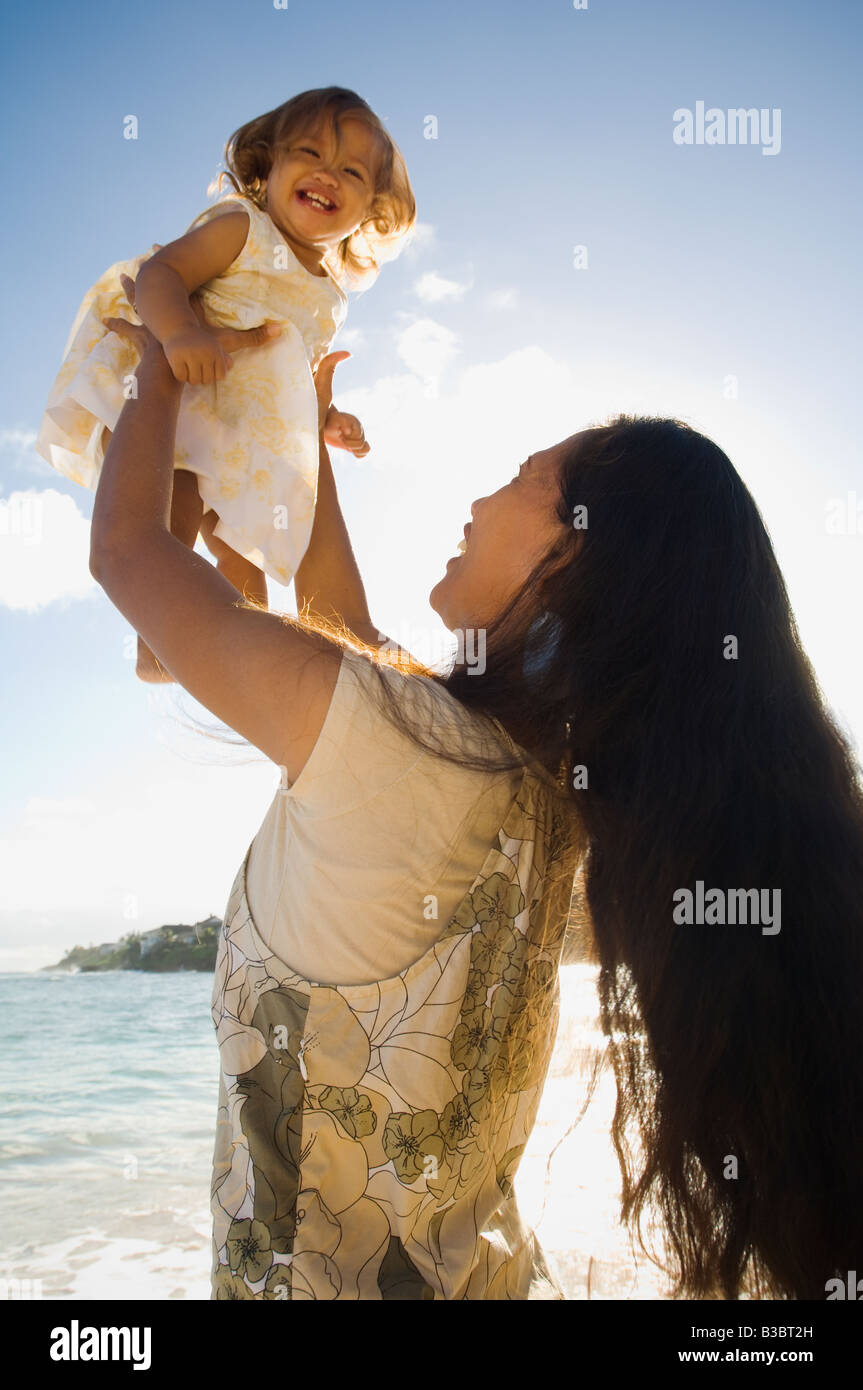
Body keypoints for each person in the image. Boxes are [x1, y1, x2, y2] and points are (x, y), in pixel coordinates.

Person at [90, 277, 863, 1301]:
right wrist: (304, 440)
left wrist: (160, 348)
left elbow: (127, 551)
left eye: (518, 478)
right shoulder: (542, 788)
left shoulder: (392, 741)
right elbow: (346, 634)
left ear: (570, 556)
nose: (479, 498)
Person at [36, 86, 415, 681]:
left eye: (350, 170)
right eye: (310, 154)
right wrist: (181, 333)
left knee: (246, 551)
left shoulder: (329, 297)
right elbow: (163, 273)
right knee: (176, 510)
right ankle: (157, 641)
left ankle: (231, 653)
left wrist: (327, 418)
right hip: (183, 398)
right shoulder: (244, 228)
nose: (327, 174)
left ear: (369, 208)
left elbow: (291, 370)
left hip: (242, 432)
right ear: (269, 165)